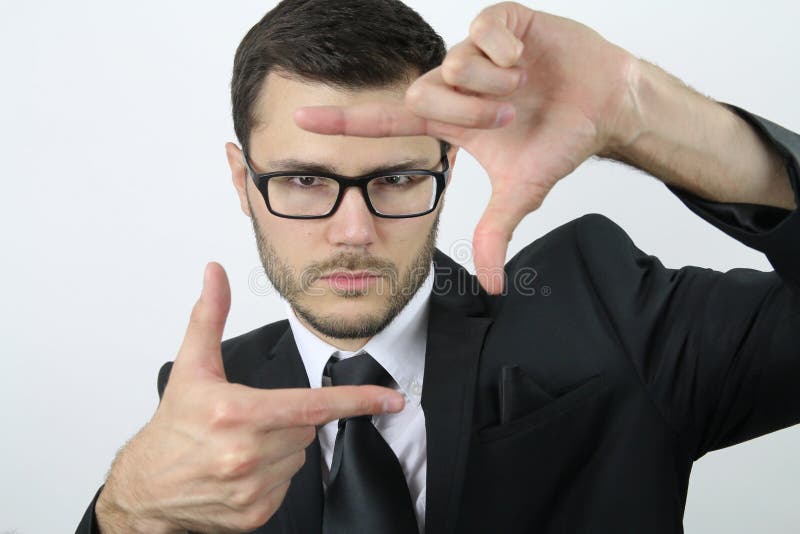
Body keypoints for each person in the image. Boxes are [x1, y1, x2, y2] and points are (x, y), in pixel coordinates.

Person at [77, 0, 800, 532]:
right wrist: (125, 505)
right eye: (303, 181)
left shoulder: (610, 313)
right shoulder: (209, 401)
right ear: (243, 182)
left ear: (447, 170)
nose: (352, 232)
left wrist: (642, 112)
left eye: (394, 179)